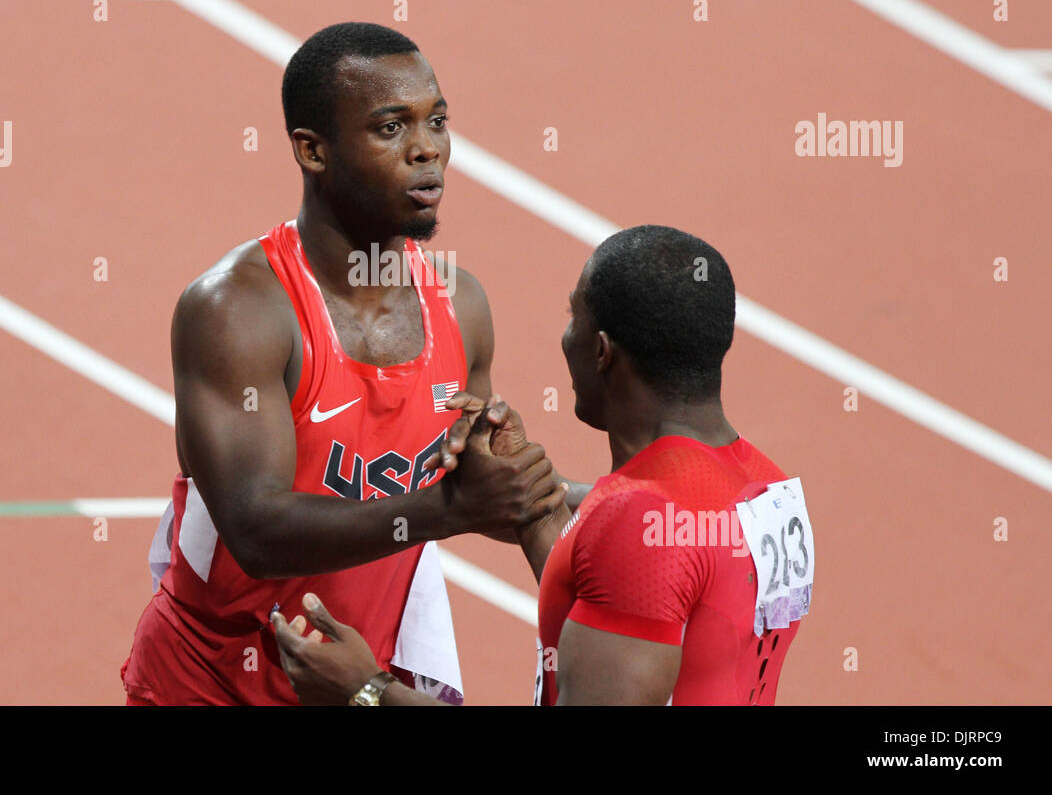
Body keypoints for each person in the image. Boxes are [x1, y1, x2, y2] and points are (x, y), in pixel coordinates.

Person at [121, 22, 567, 705]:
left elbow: (491, 496)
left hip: (360, 684)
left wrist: (644, 506)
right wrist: (448, 508)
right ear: (313, 150)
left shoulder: (461, 306)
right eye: (392, 128)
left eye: (437, 121)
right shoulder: (239, 311)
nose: (427, 150)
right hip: (210, 686)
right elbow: (256, 531)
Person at [272, 225, 815, 705]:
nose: (565, 336)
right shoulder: (767, 490)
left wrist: (366, 691)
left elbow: (638, 565)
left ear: (601, 351)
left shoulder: (640, 520)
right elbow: (610, 595)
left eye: (571, 316)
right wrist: (528, 497)